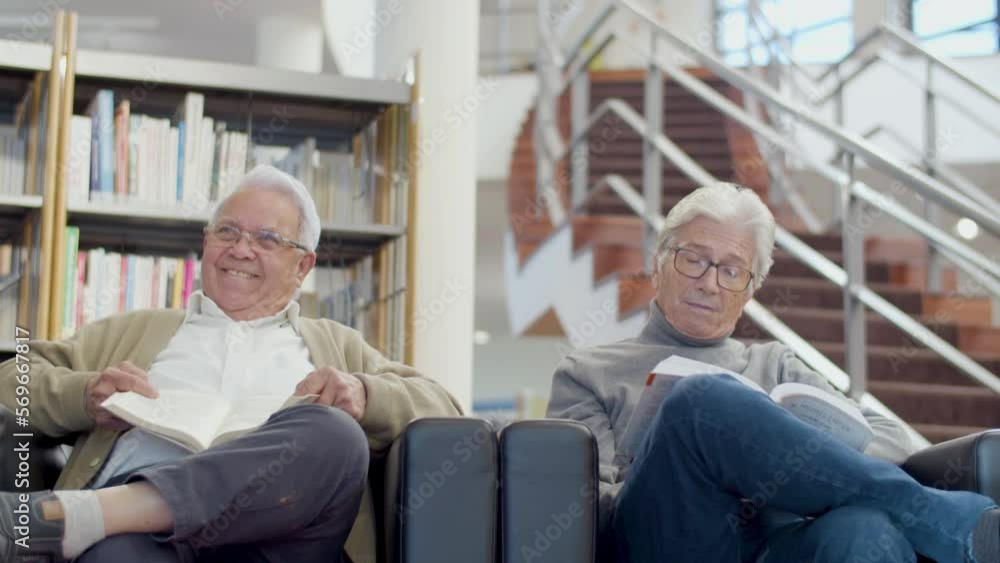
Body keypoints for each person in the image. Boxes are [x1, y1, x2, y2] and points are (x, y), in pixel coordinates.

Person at [0, 165, 462, 563]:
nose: (241, 249)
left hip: (280, 541)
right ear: (206, 243)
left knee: (335, 433)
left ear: (303, 267)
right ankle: (106, 515)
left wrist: (364, 393)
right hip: (138, 541)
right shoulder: (135, 329)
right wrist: (84, 395)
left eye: (267, 239)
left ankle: (76, 516)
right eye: (227, 232)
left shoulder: (335, 344)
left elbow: (444, 408)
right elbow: (13, 377)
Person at [546, 183, 999, 563]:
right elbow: (590, 511)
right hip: (669, 539)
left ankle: (953, 526)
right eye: (694, 259)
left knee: (864, 528)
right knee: (698, 400)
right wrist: (673, 454)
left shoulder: (775, 363)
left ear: (749, 291)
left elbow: (893, 439)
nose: (709, 282)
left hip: (772, 545)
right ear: (658, 264)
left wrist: (776, 450)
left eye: (731, 271)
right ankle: (957, 526)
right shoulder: (586, 373)